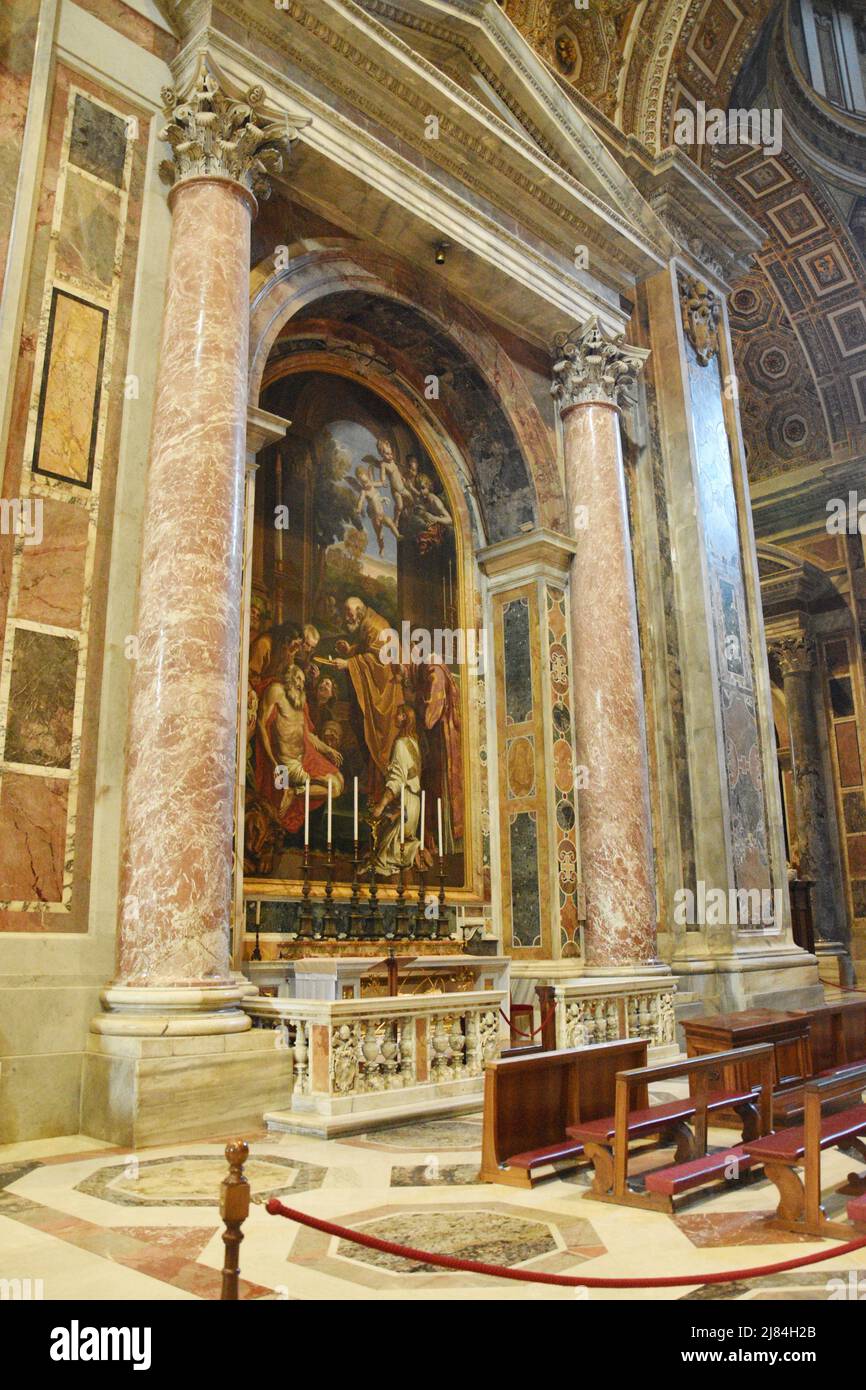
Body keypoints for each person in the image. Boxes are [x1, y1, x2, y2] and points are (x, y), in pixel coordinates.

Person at [254, 663, 343, 833]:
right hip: (289, 762)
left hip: (304, 757)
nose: (301, 684)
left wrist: (327, 750)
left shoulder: (300, 702)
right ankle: (295, 792)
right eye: (298, 678)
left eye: (302, 681)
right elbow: (261, 723)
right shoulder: (277, 691)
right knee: (334, 788)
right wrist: (272, 761)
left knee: (340, 778)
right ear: (289, 677)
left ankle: (300, 791)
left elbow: (307, 735)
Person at [331, 596, 405, 795]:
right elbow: (368, 649)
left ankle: (379, 787)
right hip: (377, 692)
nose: (347, 617)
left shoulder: (376, 626)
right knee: (361, 728)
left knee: (377, 736)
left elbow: (379, 663)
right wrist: (351, 650)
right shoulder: (368, 623)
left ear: (360, 611)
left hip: (384, 694)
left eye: (349, 613)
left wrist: (349, 663)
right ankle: (371, 783)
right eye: (346, 612)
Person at [369, 706, 431, 873]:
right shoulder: (413, 743)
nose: (395, 717)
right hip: (415, 803)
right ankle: (416, 851)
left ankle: (416, 852)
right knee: (399, 839)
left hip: (406, 802)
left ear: (404, 717)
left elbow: (396, 781)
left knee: (384, 855)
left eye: (398, 714)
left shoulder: (400, 744)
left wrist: (381, 805)